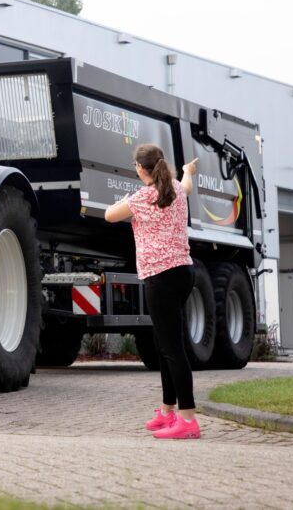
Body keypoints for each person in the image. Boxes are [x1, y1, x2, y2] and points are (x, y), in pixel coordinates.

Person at [105, 144, 200, 440]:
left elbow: (109, 215)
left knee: (172, 350)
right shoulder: (174, 188)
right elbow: (186, 185)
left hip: (161, 277)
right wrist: (188, 172)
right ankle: (167, 410)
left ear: (140, 168)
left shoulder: (143, 197)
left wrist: (122, 200)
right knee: (164, 346)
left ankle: (187, 420)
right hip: (183, 272)